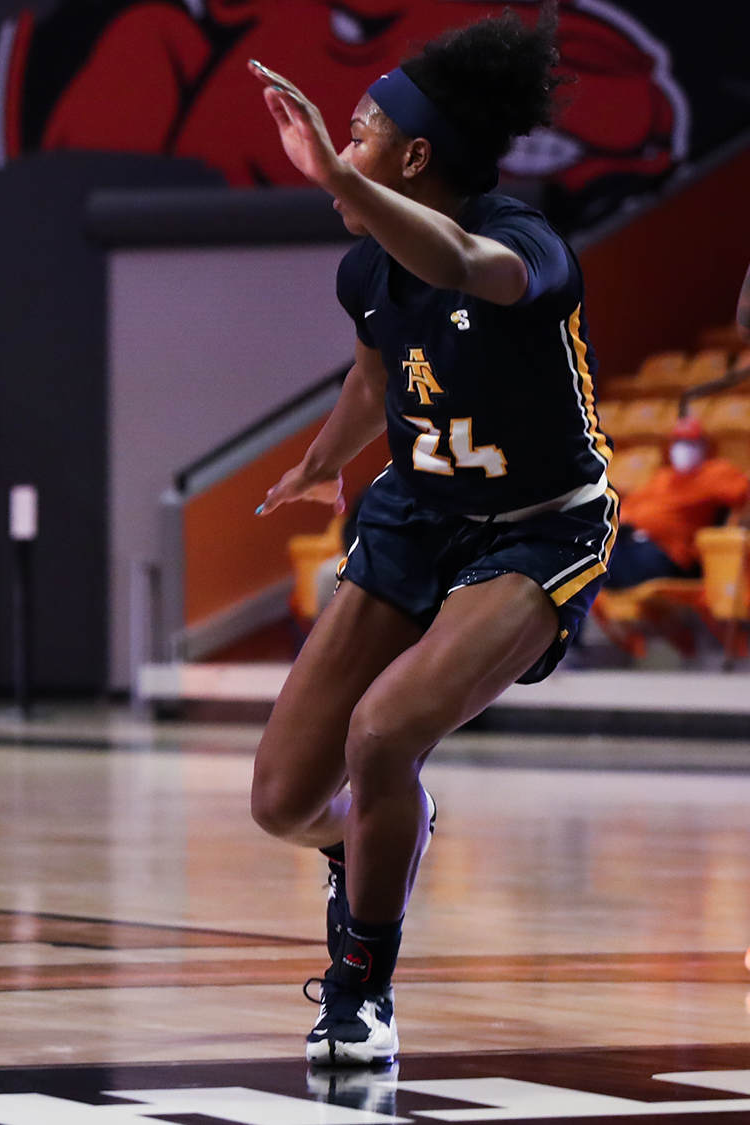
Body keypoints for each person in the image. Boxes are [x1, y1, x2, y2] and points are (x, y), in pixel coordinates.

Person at [246, 2, 614, 1068]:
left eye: (357, 135)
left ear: (411, 158)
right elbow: (376, 370)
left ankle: (359, 989)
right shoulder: (362, 270)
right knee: (280, 802)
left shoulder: (522, 243)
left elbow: (462, 264)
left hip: (537, 530)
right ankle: (371, 837)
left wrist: (336, 174)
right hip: (413, 515)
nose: (338, 155)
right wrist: (322, 459)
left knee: (381, 732)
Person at [603, 416, 748, 590]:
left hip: (667, 555)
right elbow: (629, 507)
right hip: (632, 542)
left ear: (704, 446)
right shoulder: (663, 477)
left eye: (691, 443)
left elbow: (742, 493)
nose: (684, 449)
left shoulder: (715, 472)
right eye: (678, 443)